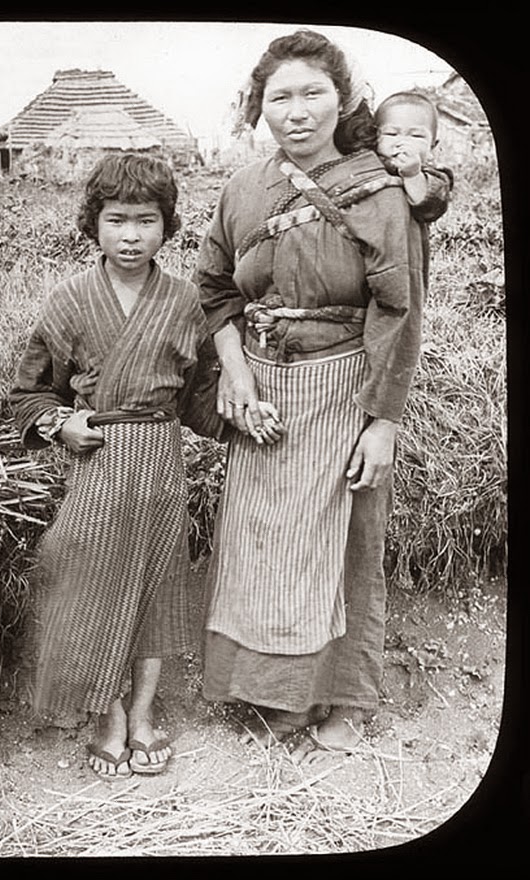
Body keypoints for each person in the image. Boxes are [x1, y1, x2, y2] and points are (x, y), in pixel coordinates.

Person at [10, 153, 283, 781]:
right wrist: (59, 423)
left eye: (146, 221)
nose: (130, 236)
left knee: (159, 592)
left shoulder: (186, 302)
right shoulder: (69, 301)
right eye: (116, 221)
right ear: (93, 225)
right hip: (98, 461)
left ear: (167, 227)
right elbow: (28, 392)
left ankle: (142, 714)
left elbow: (197, 399)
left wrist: (242, 419)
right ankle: (105, 715)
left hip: (162, 462)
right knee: (91, 589)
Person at [193, 30, 425, 763]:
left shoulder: (378, 190)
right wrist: (234, 370)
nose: (296, 112)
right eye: (278, 97)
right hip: (260, 388)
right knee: (263, 542)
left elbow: (400, 309)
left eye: (312, 93)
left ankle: (340, 703)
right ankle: (267, 693)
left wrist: (382, 422)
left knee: (342, 542)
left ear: (345, 99)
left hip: (346, 383)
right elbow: (214, 288)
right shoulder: (243, 189)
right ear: (258, 108)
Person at [374, 90, 454, 285]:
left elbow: (430, 206)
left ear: (432, 146)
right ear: (375, 137)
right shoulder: (367, 168)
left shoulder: (433, 176)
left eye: (416, 136)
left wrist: (412, 174)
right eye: (391, 133)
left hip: (406, 257)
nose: (402, 142)